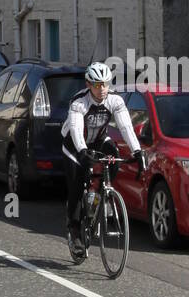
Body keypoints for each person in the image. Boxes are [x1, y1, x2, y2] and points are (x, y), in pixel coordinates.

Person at [62, 63, 145, 254]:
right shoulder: (79, 102)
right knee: (76, 183)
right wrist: (82, 150)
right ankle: (74, 231)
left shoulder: (115, 100)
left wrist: (137, 151)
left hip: (99, 140)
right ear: (89, 84)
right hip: (74, 145)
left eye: (106, 84)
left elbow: (125, 127)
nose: (102, 89)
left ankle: (101, 194)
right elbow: (75, 129)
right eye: (98, 85)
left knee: (114, 157)